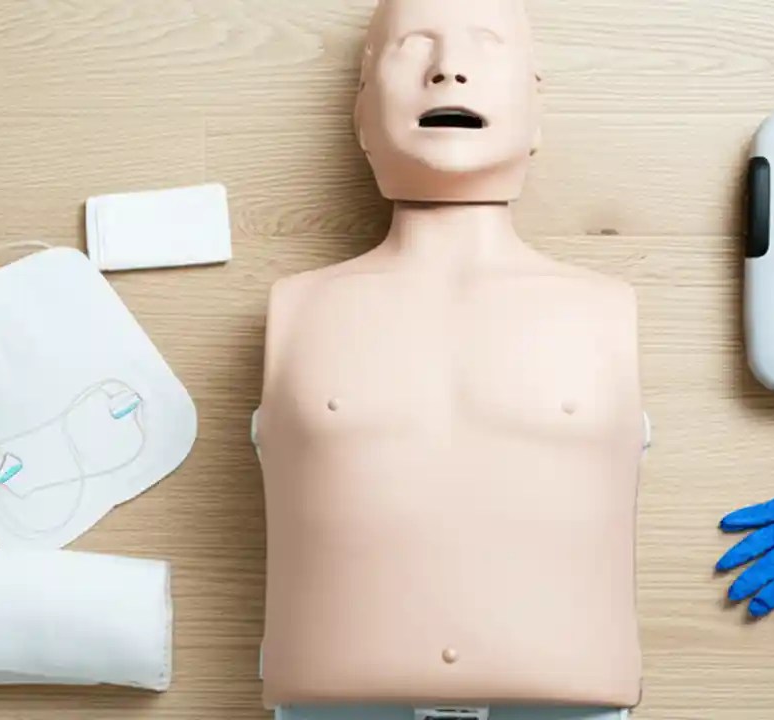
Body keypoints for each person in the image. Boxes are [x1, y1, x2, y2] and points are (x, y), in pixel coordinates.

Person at [254, 1, 646, 717]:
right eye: (413, 47)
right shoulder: (299, 307)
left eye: (486, 46)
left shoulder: (603, 307)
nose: (449, 68)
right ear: (361, 113)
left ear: (536, 109)